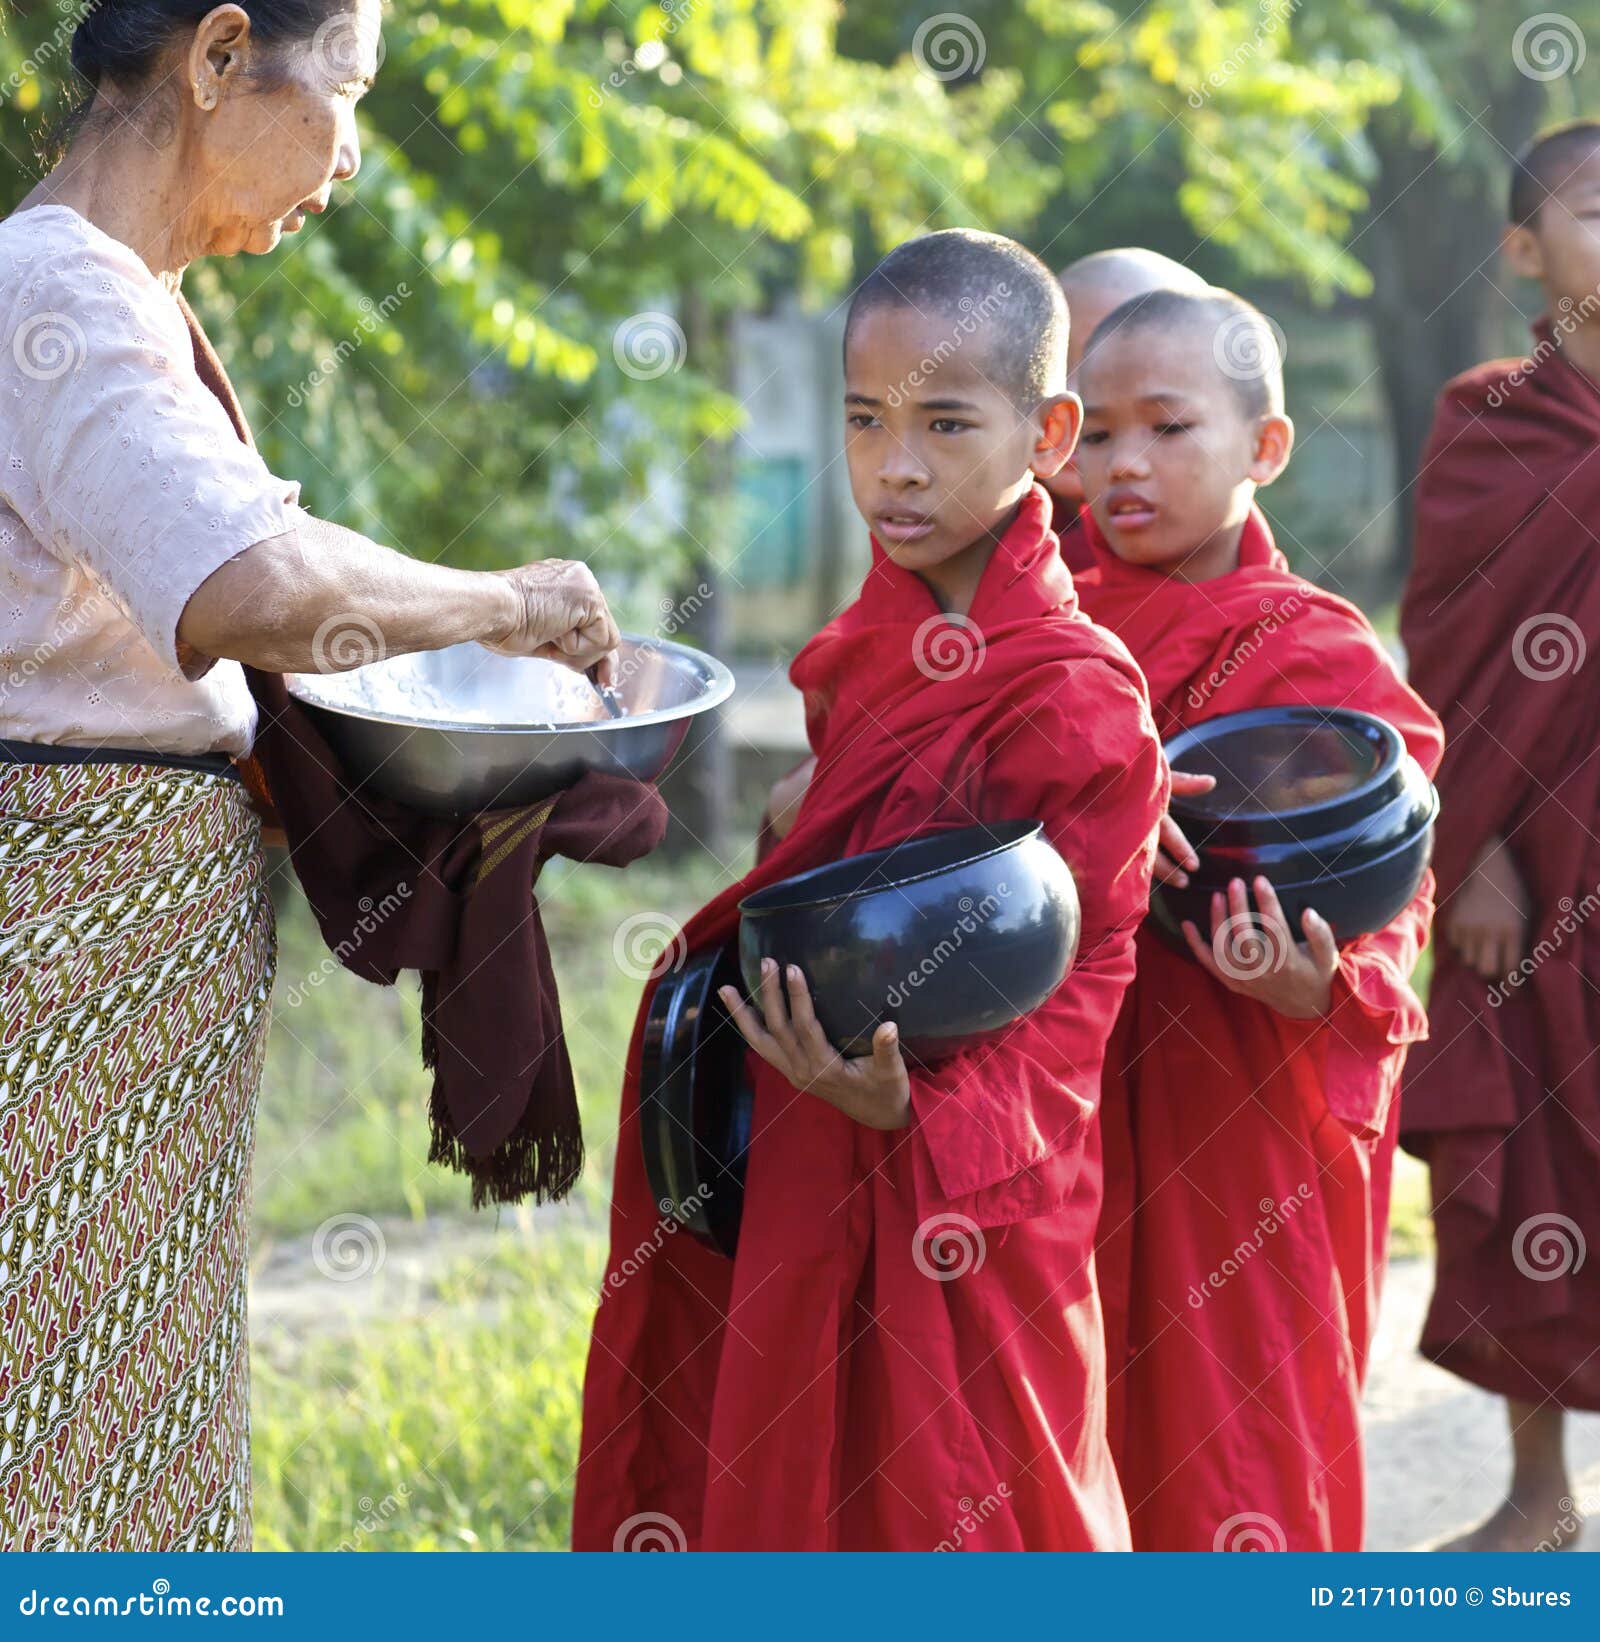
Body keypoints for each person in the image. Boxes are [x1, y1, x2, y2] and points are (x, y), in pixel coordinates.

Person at [0, 0, 618, 1552]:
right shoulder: (55, 290)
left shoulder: (107, 293)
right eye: (346, 93)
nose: (346, 163)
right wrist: (508, 604)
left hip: (122, 937)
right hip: (65, 927)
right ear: (219, 61)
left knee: (125, 1374)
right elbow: (248, 587)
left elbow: (248, 570)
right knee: (69, 1401)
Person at [573, 229, 1167, 1551]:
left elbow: (1095, 971)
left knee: (979, 1490)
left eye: (948, 422)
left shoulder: (1071, 687)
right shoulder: (872, 643)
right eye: (866, 417)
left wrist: (929, 1105)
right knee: (798, 1459)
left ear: (1050, 432)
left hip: (972, 1181)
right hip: (811, 1121)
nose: (895, 463)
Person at [1071, 286, 1443, 1551]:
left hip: (1235, 1112)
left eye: (1168, 429)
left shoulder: (1315, 655)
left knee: (1237, 1444)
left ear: (1264, 447)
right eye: (1098, 433)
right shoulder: (1043, 621)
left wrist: (1318, 985)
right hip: (1059, 1094)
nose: (1125, 465)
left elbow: (1395, 875)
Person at [1399, 118, 1600, 1553]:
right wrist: (1465, 850)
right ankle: (1541, 1494)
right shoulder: (1490, 418)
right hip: (1530, 873)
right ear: (1527, 251)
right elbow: (1445, 659)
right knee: (1527, 1161)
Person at [1044, 248, 1209, 571]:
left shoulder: (1222, 572)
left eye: (1120, 372)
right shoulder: (957, 539)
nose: (1072, 396)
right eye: (1054, 363)